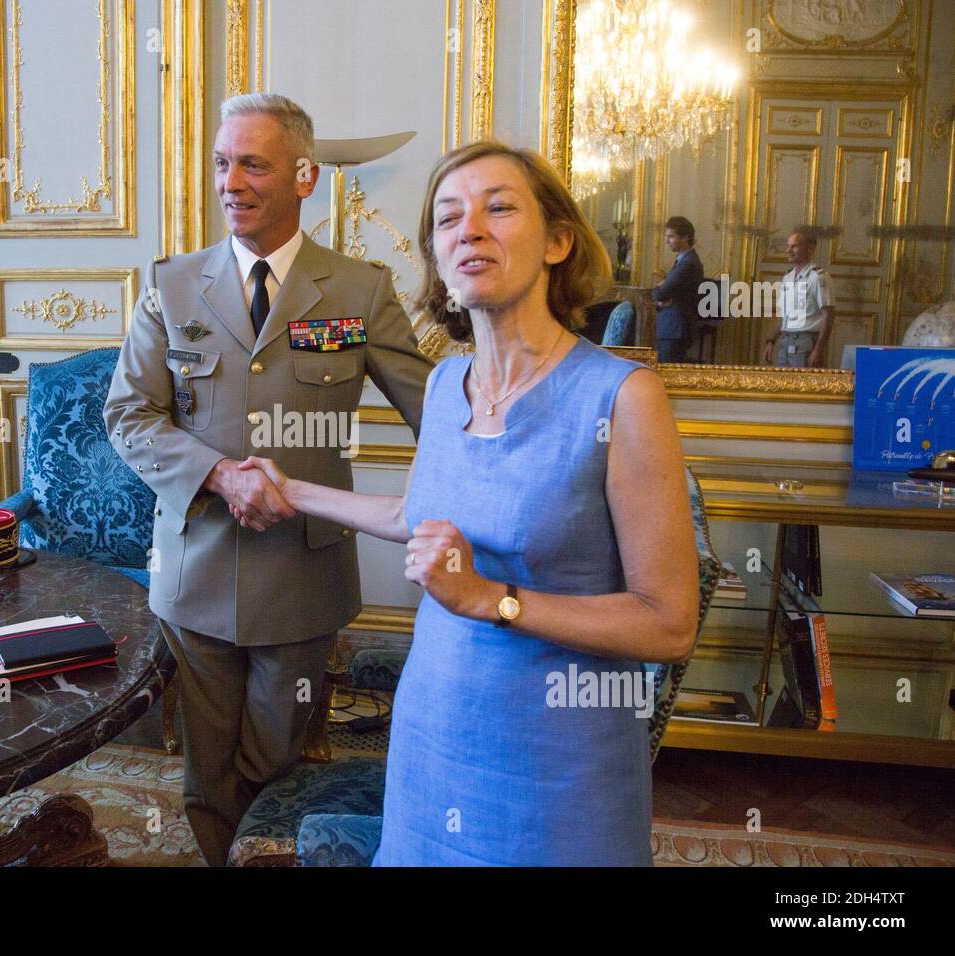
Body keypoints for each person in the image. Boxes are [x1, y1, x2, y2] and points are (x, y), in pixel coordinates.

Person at [236, 141, 698, 865]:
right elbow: (418, 519)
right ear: (439, 259)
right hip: (435, 739)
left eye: (499, 208)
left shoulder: (621, 398)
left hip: (558, 767)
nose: (469, 229)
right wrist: (290, 490)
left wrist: (491, 598)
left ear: (557, 242)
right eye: (448, 218)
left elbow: (668, 625)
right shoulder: (449, 384)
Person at [102, 93, 433, 866]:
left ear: (305, 175)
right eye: (223, 163)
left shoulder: (359, 289)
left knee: (279, 754)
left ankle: (267, 851)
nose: (231, 181)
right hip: (196, 565)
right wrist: (219, 473)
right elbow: (130, 414)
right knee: (207, 767)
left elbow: (433, 409)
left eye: (253, 162)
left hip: (303, 570)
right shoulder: (173, 285)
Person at [764, 227, 836, 368]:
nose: (788, 250)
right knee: (783, 386)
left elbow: (829, 315)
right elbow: (784, 316)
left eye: (794, 246)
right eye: (788, 246)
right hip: (786, 341)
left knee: (805, 387)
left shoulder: (818, 277)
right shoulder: (788, 278)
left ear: (810, 249)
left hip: (807, 343)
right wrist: (771, 341)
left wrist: (818, 349)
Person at [651, 216, 705, 363]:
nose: (667, 241)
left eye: (671, 237)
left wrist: (658, 288)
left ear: (685, 237)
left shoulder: (688, 263)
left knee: (668, 376)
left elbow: (660, 293)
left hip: (675, 330)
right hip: (673, 329)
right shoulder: (683, 260)